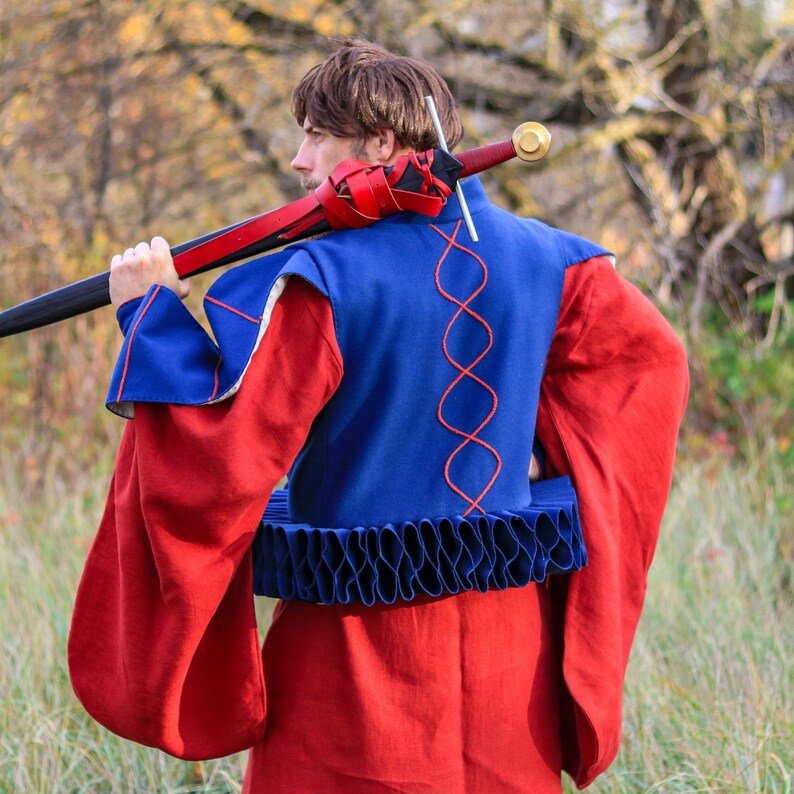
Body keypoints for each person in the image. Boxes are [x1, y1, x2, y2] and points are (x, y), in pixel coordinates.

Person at [68, 39, 688, 792]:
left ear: (381, 143)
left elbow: (219, 454)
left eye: (315, 136)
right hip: (509, 657)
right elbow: (648, 368)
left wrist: (152, 317)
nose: (300, 160)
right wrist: (541, 451)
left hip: (357, 660)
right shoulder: (557, 260)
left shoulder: (324, 280)